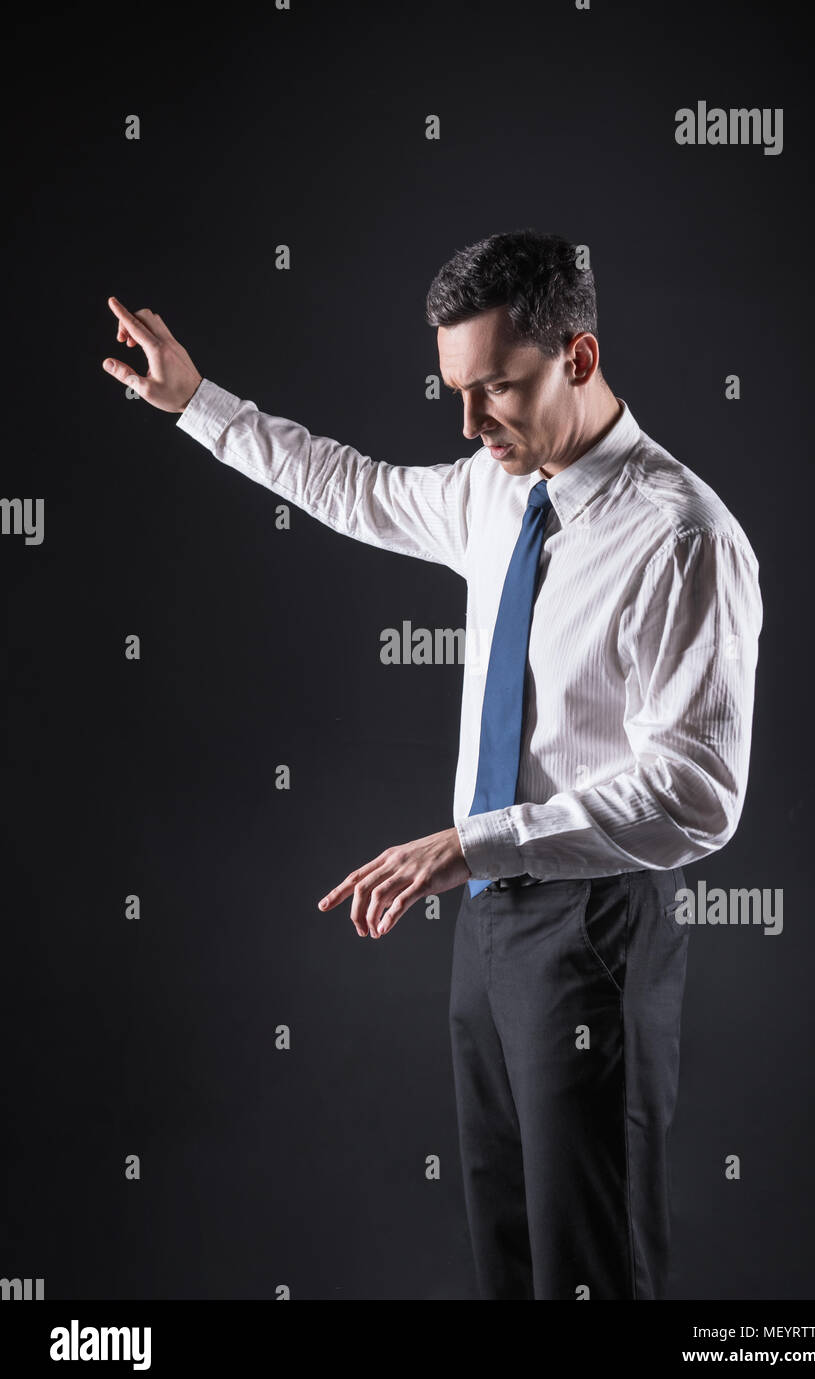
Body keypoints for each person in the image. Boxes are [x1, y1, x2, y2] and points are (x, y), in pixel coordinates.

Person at [102, 229, 763, 1300]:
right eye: (455, 390)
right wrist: (195, 404)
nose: (468, 423)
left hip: (597, 931)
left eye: (496, 388)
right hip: (488, 927)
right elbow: (350, 485)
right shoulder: (496, 489)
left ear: (580, 360)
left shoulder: (681, 535)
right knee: (506, 1260)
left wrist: (471, 842)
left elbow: (696, 791)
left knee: (591, 1267)